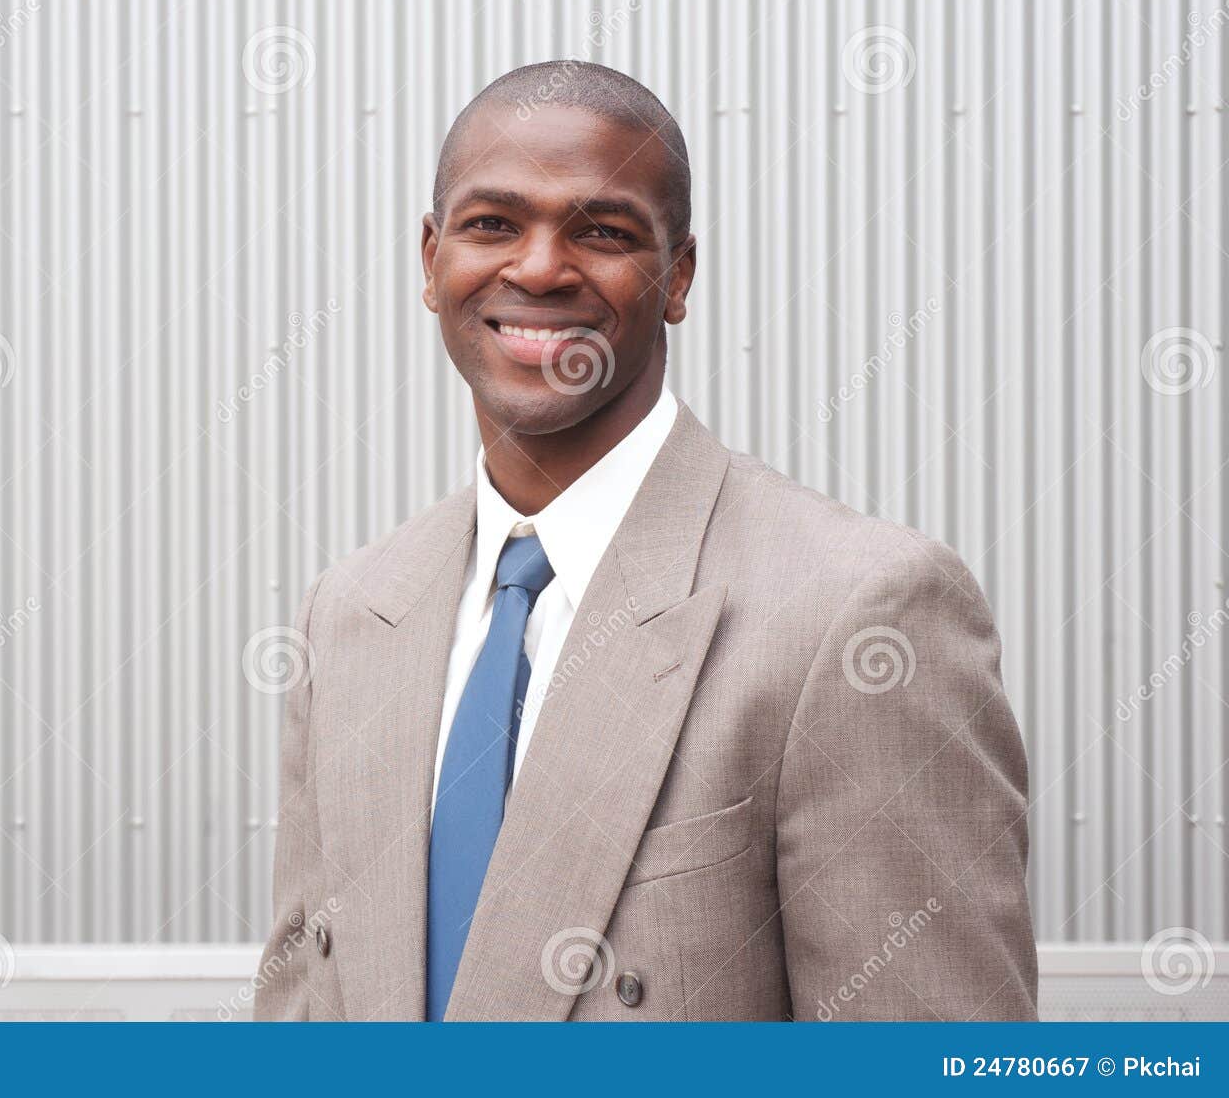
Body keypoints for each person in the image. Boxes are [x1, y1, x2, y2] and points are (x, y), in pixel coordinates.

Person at [254, 60, 1036, 1021]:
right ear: (430, 259)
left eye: (603, 231)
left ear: (678, 276)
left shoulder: (862, 608)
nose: (539, 267)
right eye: (493, 223)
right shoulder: (351, 611)